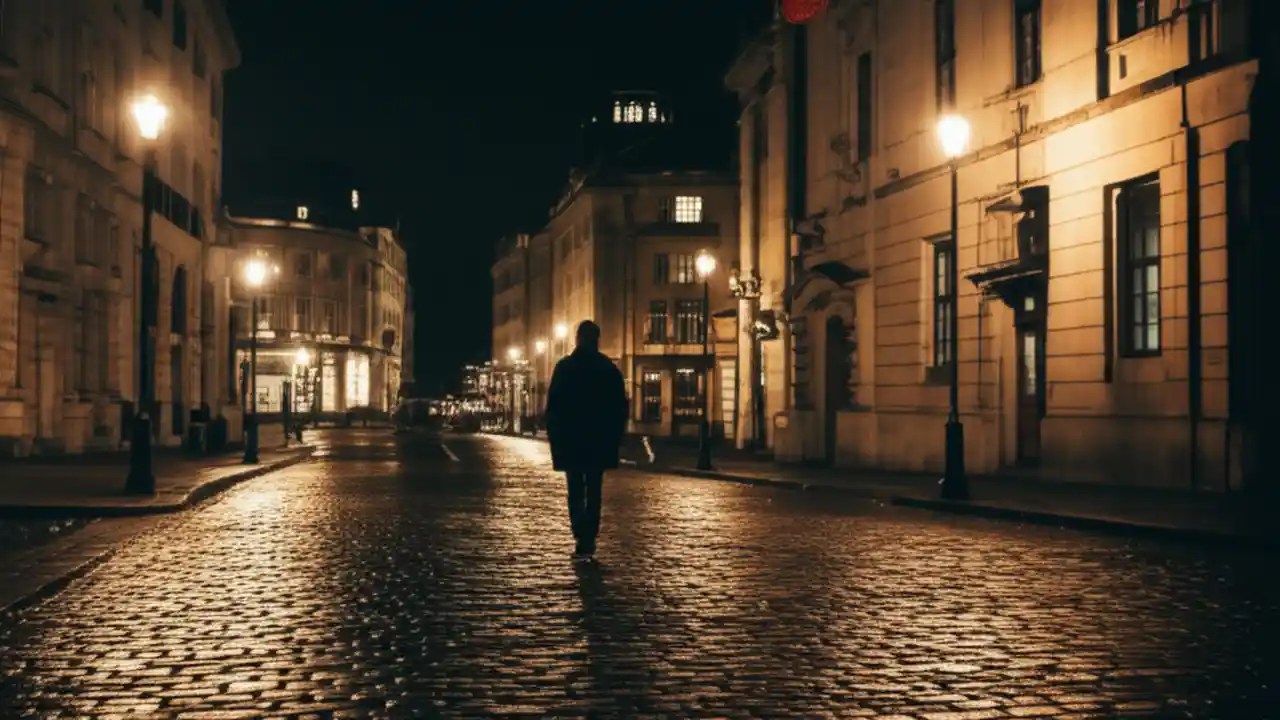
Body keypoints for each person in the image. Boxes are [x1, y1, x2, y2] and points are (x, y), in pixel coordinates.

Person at [545, 321, 628, 559]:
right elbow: (619, 408)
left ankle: (580, 532)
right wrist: (615, 437)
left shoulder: (565, 368)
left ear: (577, 338)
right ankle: (589, 534)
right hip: (598, 441)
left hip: (572, 439)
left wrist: (556, 437)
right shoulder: (607, 369)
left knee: (575, 488)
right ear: (597, 339)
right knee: (593, 489)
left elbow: (554, 407)